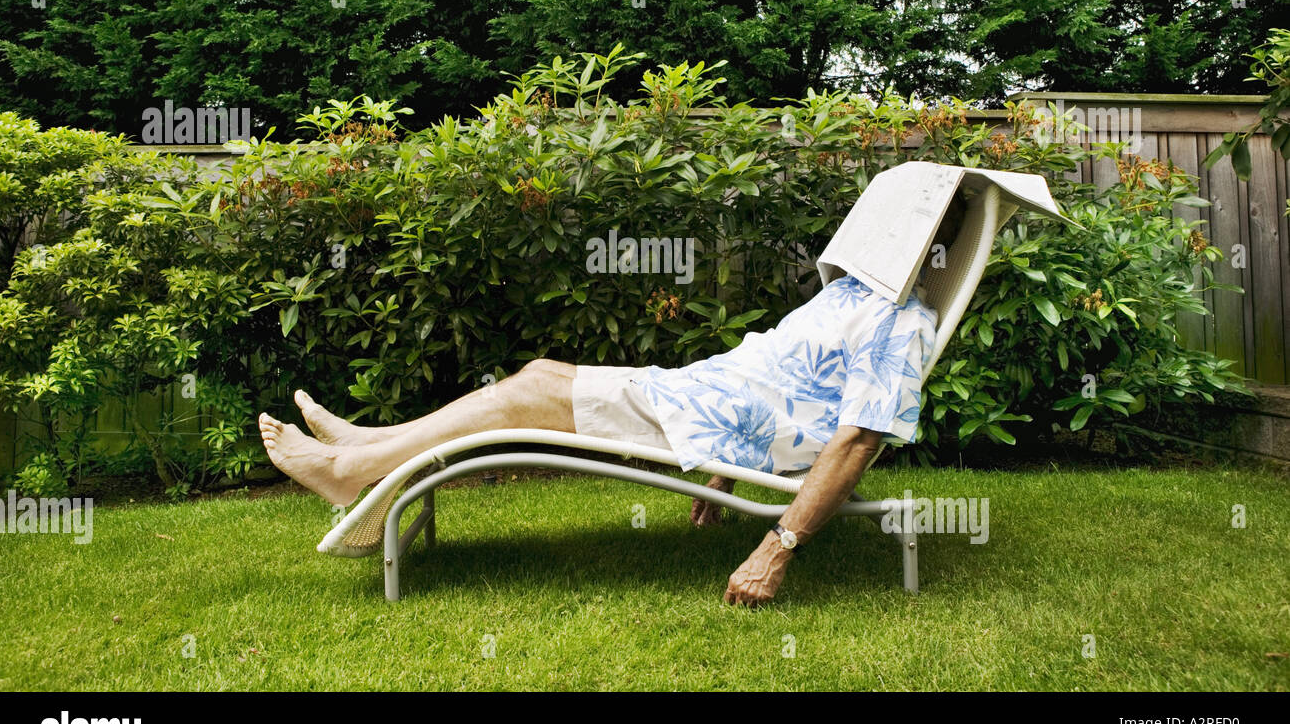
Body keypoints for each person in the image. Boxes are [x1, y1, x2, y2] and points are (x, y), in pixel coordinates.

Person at [259, 190, 968, 607]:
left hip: (712, 413)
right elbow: (783, 381)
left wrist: (775, 547)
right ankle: (367, 443)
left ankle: (351, 471)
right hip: (710, 401)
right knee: (540, 372)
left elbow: (858, 438)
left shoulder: (899, 325)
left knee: (528, 392)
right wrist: (723, 473)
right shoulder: (858, 292)